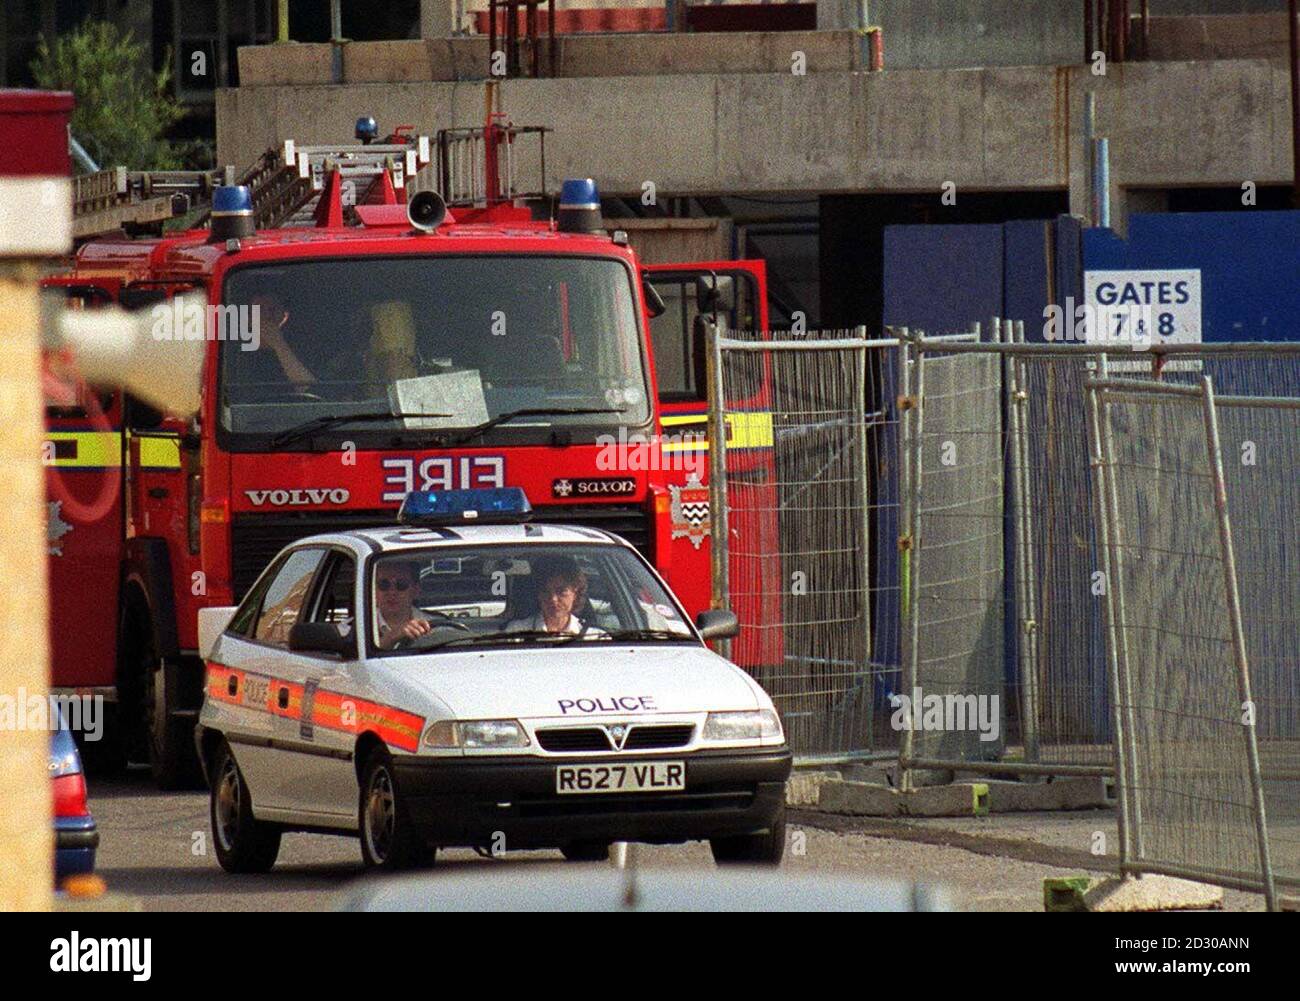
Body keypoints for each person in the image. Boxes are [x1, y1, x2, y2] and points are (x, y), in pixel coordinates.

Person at [505, 556, 606, 637]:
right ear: (538, 594)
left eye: (561, 591)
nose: (553, 599)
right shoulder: (516, 633)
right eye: (545, 591)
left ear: (576, 592)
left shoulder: (594, 637)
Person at [374, 560, 432, 649]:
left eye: (401, 584)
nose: (392, 592)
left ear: (416, 590)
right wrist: (391, 637)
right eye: (384, 584)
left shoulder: (433, 625)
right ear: (373, 590)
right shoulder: (356, 628)